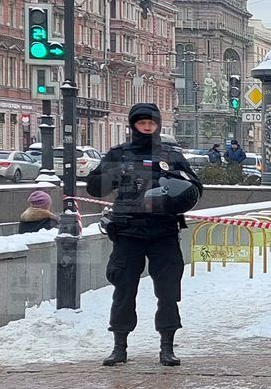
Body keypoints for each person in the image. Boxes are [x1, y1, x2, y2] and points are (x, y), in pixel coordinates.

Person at [87, 100, 203, 366]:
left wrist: (173, 186)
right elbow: (95, 187)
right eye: (142, 123)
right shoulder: (119, 154)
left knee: (168, 291)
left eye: (151, 123)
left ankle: (167, 347)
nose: (147, 127)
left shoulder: (170, 155)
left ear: (158, 125)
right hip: (128, 231)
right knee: (124, 290)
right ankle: (119, 346)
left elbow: (194, 186)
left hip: (163, 231)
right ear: (133, 125)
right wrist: (115, 174)